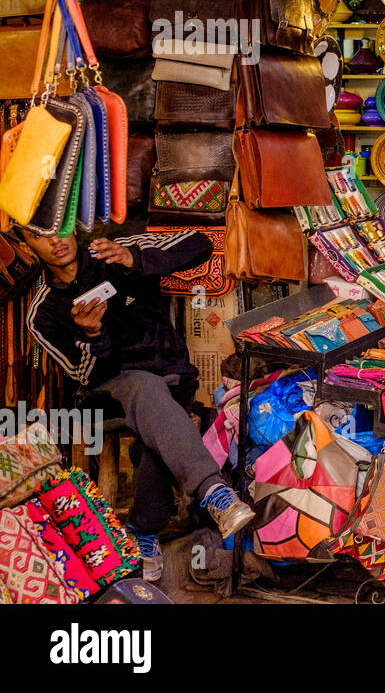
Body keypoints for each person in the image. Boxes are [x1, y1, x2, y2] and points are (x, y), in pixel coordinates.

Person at [22, 227, 255, 582]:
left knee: (157, 420)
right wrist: (92, 336)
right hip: (107, 396)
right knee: (146, 391)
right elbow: (82, 375)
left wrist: (138, 259)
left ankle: (144, 534)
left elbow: (203, 244)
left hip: (172, 378)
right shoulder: (43, 313)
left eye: (60, 229)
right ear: (27, 244)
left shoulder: (115, 252)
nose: (56, 241)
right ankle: (214, 492)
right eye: (40, 236)